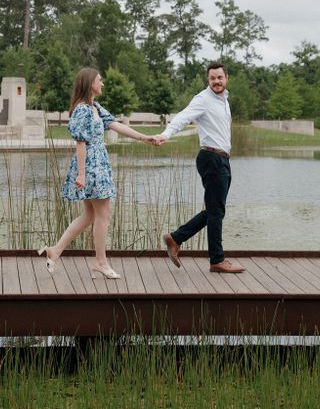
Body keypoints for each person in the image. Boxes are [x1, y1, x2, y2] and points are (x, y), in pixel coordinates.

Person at [38, 67, 156, 279]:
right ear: (89, 83)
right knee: (103, 215)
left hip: (98, 163)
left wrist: (144, 138)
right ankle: (100, 262)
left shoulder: (96, 107)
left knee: (90, 215)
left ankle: (55, 250)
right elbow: (80, 143)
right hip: (92, 166)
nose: (102, 84)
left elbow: (116, 125)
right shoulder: (83, 110)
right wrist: (82, 174)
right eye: (99, 80)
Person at [152, 62, 245, 273]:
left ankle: (175, 238)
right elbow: (183, 117)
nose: (216, 81)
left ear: (226, 78)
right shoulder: (203, 99)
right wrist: (165, 135)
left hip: (221, 159)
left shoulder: (224, 100)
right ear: (208, 80)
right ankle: (217, 260)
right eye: (212, 78)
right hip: (211, 158)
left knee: (214, 210)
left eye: (220, 77)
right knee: (216, 212)